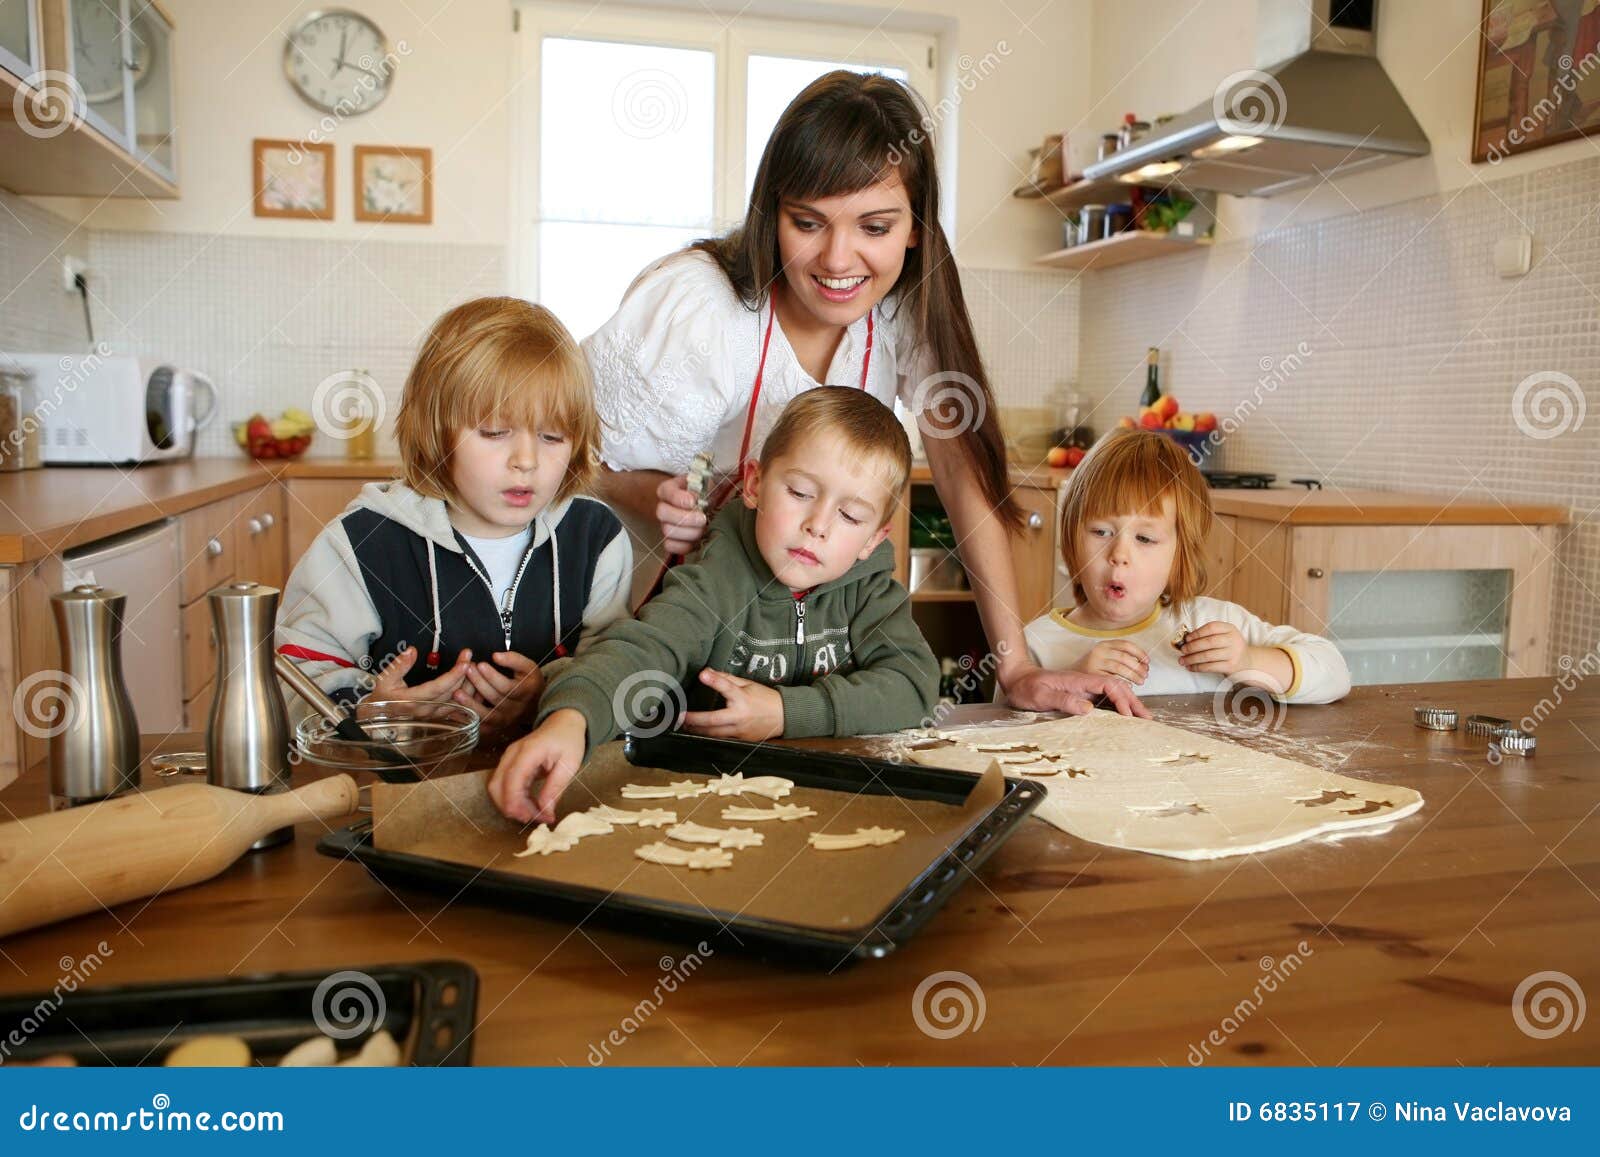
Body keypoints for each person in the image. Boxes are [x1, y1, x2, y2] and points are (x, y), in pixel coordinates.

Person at [582, 70, 1145, 720]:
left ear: (914, 226)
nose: (838, 258)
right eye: (808, 222)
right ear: (773, 214)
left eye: (874, 227)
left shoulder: (904, 307)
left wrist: (1015, 665)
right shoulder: (701, 310)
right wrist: (651, 494)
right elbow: (570, 462)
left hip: (789, 658)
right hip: (652, 623)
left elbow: (964, 477)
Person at [486, 388, 938, 824]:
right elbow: (645, 650)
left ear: (873, 539)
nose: (817, 525)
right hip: (710, 803)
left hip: (833, 800)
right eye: (800, 493)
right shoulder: (717, 577)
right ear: (756, 485)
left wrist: (784, 713)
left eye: (850, 516)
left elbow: (914, 687)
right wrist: (572, 719)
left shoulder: (871, 592)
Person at [276, 297, 632, 738]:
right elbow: (293, 676)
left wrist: (549, 697)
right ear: (435, 429)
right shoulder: (360, 545)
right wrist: (369, 710)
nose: (526, 460)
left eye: (552, 436)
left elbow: (615, 667)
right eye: (494, 433)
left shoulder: (596, 539)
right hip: (397, 784)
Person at [1026, 429, 1351, 702]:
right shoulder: (1037, 645)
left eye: (1145, 539)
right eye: (1101, 532)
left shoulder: (1212, 623)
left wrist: (1248, 661)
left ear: (1180, 554)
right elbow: (1001, 738)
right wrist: (1074, 681)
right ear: (1069, 539)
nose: (1119, 554)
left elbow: (1335, 673)